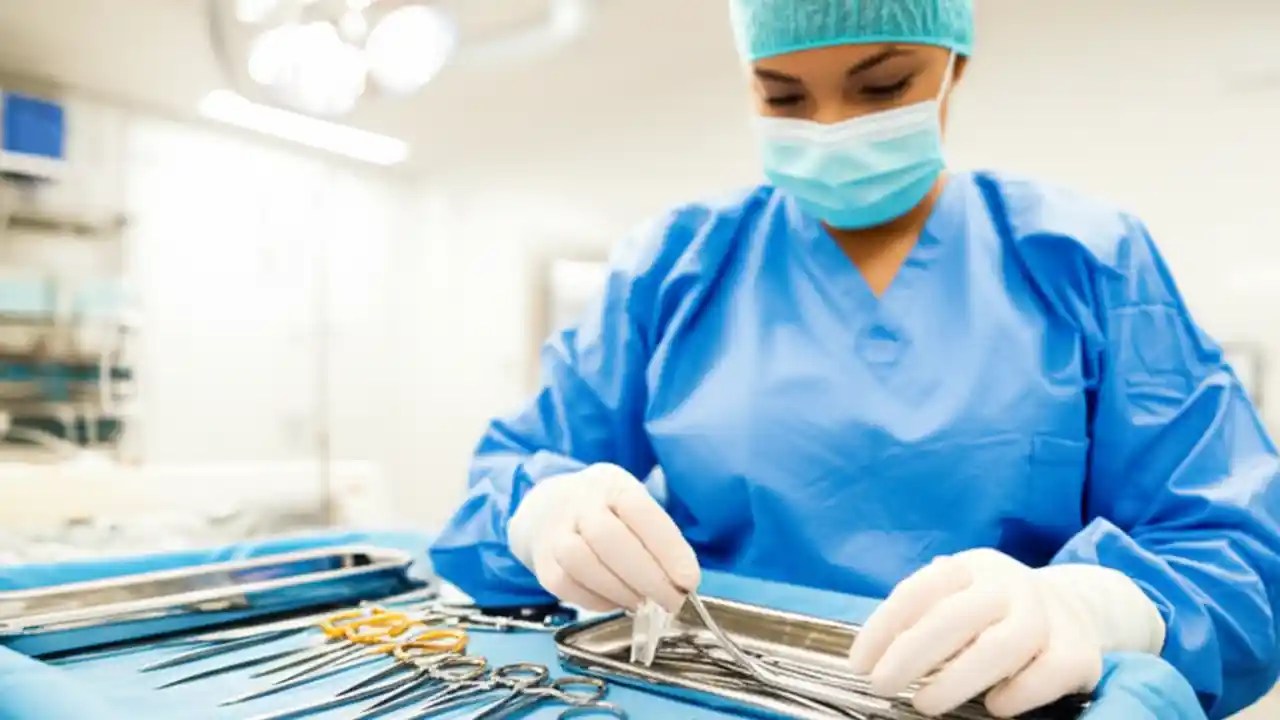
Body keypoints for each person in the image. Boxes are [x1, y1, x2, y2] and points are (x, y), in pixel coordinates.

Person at [429, 0, 1280, 717]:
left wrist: (1100, 607)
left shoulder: (1084, 261)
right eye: (784, 96)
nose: (833, 129)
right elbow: (494, 489)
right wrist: (541, 511)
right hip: (715, 692)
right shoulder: (676, 266)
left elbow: (1238, 558)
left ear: (954, 65)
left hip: (993, 701)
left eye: (882, 87)